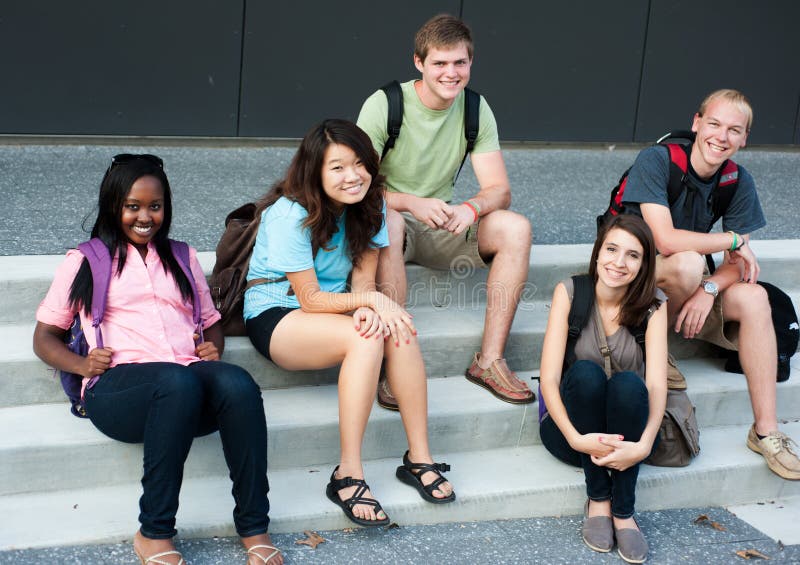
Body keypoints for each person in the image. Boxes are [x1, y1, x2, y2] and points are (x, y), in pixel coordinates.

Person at [33, 154, 282, 565]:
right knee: (176, 381)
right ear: (113, 205)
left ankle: (254, 525)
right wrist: (81, 366)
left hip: (183, 382)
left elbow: (209, 320)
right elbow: (44, 337)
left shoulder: (182, 258)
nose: (144, 217)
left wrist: (213, 345)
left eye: (155, 206)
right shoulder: (86, 260)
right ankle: (153, 533)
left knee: (237, 383)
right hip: (117, 391)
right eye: (133, 206)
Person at [244, 119, 455, 528]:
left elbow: (361, 277)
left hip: (335, 306)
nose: (352, 175)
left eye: (359, 163)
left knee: (397, 327)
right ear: (315, 172)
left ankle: (419, 457)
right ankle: (348, 473)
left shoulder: (369, 205)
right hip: (278, 311)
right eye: (337, 167)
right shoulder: (289, 214)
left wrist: (365, 304)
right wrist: (370, 301)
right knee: (367, 337)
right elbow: (309, 297)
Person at [621, 89, 800, 481]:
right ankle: (650, 349)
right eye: (715, 124)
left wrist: (709, 289)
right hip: (628, 280)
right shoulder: (658, 160)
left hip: (686, 282)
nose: (722, 136)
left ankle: (766, 432)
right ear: (697, 123)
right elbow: (665, 240)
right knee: (685, 264)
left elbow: (739, 267)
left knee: (753, 296)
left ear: (744, 139)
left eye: (734, 130)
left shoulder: (736, 179)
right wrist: (733, 242)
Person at [356, 14, 534, 408]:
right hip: (383, 223)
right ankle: (393, 363)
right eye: (439, 63)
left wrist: (472, 208)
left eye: (460, 63)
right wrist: (409, 201)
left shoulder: (475, 107)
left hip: (440, 225)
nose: (451, 73)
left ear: (471, 63)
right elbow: (353, 188)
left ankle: (489, 360)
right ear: (419, 63)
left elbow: (499, 189)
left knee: (515, 228)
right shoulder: (385, 104)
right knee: (393, 219)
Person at [539, 214, 667, 563]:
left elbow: (656, 384)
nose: (619, 263)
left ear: (644, 264)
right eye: (612, 249)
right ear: (598, 252)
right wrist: (576, 437)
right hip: (573, 435)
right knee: (583, 374)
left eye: (633, 255)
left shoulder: (654, 304)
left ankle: (624, 511)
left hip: (630, 435)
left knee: (629, 383)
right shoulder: (570, 292)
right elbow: (549, 378)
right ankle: (599, 499)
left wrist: (643, 445)